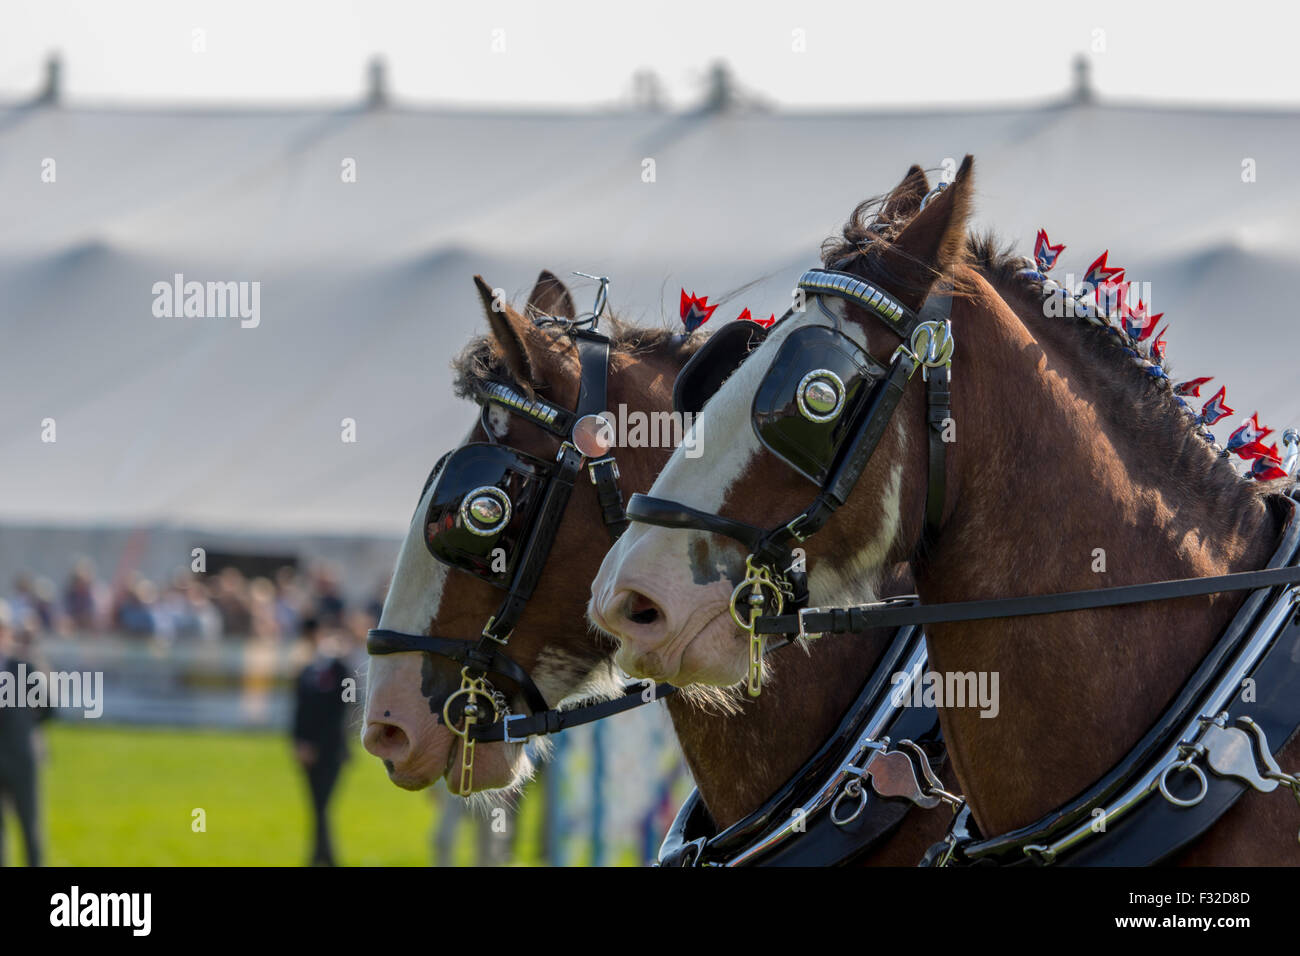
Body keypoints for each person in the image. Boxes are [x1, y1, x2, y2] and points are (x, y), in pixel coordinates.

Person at [291, 617, 350, 866]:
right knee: (316, 806)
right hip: (308, 751)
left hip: (331, 751)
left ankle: (322, 856)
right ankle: (322, 856)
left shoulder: (339, 670)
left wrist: (316, 746)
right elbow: (298, 711)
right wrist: (299, 742)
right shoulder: (305, 671)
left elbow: (342, 711)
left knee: (322, 805)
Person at [0, 600, 49, 866]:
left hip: (21, 758)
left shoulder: (24, 666)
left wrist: (25, 729)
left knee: (29, 826)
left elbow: (48, 707)